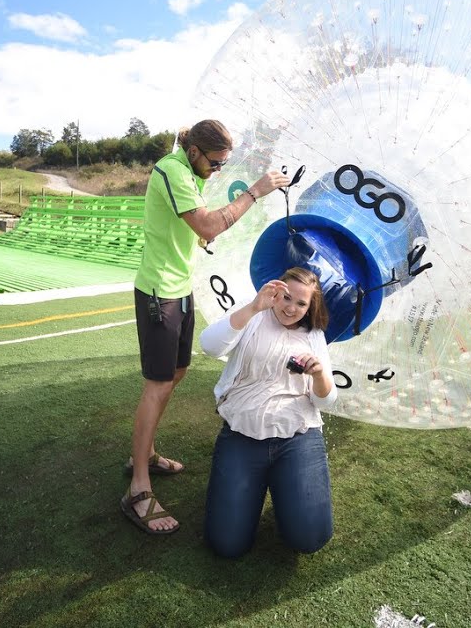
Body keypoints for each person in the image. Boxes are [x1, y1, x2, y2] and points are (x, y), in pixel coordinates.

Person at [121, 119, 290, 536]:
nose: (217, 171)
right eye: (215, 164)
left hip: (179, 290)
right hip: (159, 294)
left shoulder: (190, 169)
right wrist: (255, 191)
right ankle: (137, 486)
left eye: (222, 165)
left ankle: (145, 452)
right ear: (194, 150)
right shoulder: (173, 170)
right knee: (157, 384)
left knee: (176, 374)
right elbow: (209, 225)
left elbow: (193, 228)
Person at [199, 266, 337, 558]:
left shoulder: (314, 335)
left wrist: (319, 374)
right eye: (287, 298)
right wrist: (253, 307)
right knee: (227, 545)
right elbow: (209, 346)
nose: (291, 308)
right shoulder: (253, 316)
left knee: (310, 537)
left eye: (301, 303)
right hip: (242, 434)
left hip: (297, 436)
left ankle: (286, 485)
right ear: (275, 292)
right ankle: (263, 484)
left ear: (311, 306)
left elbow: (326, 401)